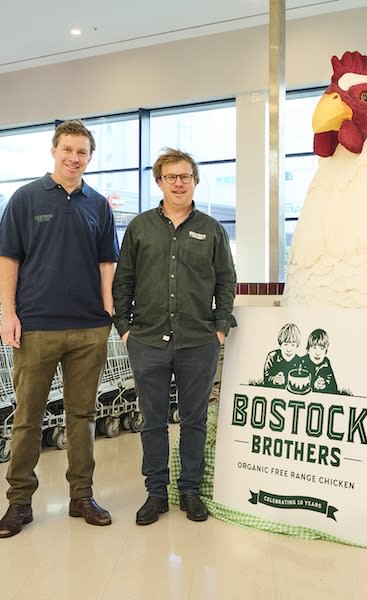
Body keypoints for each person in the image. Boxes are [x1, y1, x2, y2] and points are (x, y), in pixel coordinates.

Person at [0, 120, 118, 538]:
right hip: (37, 327)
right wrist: (8, 314)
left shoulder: (99, 205)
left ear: (90, 157)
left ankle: (81, 496)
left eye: (82, 152)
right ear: (54, 151)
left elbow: (108, 262)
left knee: (82, 415)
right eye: (67, 149)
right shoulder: (25, 199)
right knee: (28, 418)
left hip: (89, 329)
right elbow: (8, 259)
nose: (74, 158)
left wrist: (108, 311)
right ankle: (19, 503)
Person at [112, 148, 236, 525]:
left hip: (199, 341)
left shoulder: (212, 229)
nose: (178, 183)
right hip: (147, 340)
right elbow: (124, 280)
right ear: (160, 182)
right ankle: (156, 493)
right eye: (171, 177)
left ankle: (190, 491)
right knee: (152, 420)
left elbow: (226, 280)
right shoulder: (140, 228)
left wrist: (219, 328)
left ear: (195, 181)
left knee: (194, 419)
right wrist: (126, 329)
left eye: (185, 176)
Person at [298, 328, 338, 394]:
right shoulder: (302, 362)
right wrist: (313, 385)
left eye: (322, 349)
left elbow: (334, 388)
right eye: (314, 348)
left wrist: (325, 385)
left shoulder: (326, 363)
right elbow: (298, 385)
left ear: (326, 352)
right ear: (308, 350)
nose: (318, 353)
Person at [263, 322, 302, 388]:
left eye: (292, 345)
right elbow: (266, 377)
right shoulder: (273, 356)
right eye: (285, 344)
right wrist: (274, 379)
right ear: (280, 345)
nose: (289, 349)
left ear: (297, 346)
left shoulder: (299, 362)